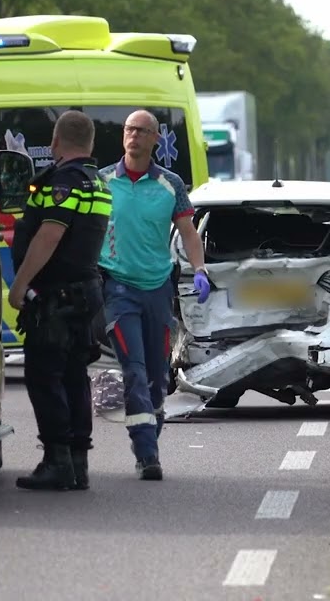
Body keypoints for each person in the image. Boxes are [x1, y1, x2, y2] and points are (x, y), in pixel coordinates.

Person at [98, 109, 210, 481]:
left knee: (158, 378)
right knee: (134, 370)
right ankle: (147, 453)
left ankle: (149, 433)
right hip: (118, 288)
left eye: (142, 131)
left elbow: (188, 232)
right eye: (129, 129)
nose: (134, 136)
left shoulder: (170, 184)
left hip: (158, 289)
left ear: (155, 140)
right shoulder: (103, 182)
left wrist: (201, 270)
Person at [8, 110, 113, 491]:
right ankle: (77, 463)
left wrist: (19, 286)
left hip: (57, 297)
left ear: (55, 141)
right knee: (73, 377)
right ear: (90, 144)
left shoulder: (65, 181)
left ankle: (57, 462)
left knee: (44, 377)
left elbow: (50, 235)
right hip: (84, 293)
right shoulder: (96, 182)